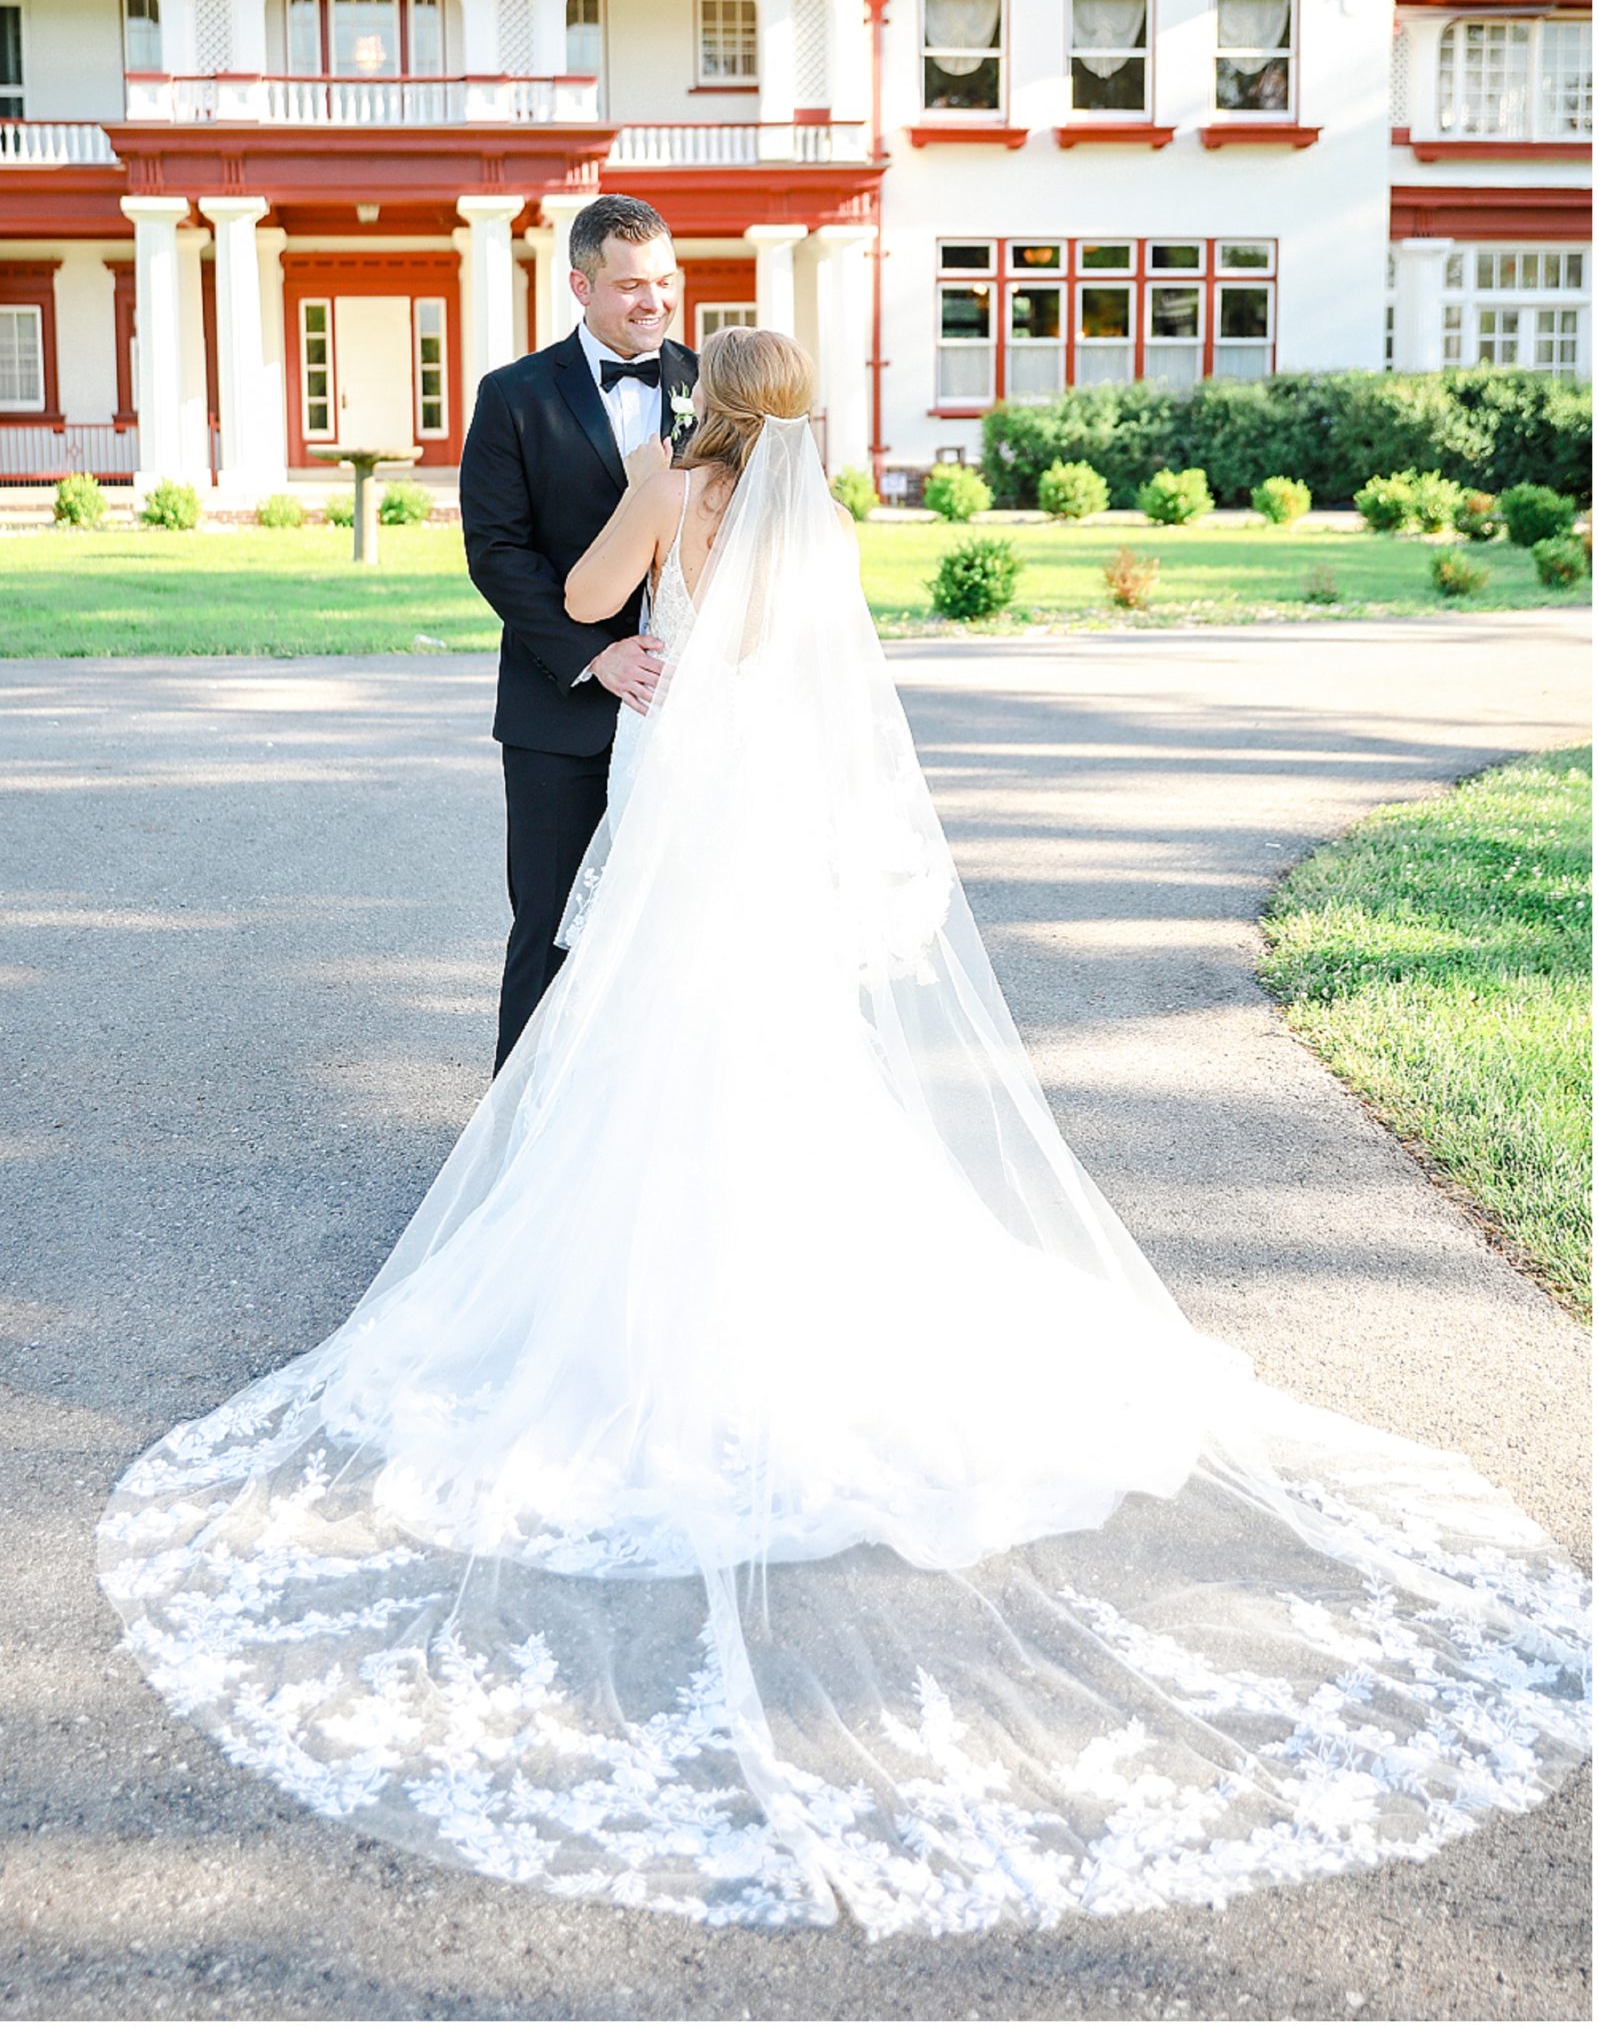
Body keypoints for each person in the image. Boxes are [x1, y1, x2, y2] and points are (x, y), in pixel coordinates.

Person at [99, 332, 1588, 1940]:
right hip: (772, 818)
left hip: (686, 812)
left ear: (710, 407)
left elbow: (594, 607)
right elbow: (820, 691)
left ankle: (666, 1300)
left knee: (648, 1054)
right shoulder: (817, 516)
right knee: (791, 1064)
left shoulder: (679, 483)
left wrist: (651, 509)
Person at [458, 193, 698, 1071]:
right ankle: (516, 1146)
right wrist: (594, 656)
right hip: (557, 715)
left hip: (685, 710)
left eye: (665, 281)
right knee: (551, 928)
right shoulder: (513, 396)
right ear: (581, 285)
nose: (655, 301)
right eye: (632, 284)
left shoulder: (709, 388)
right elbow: (495, 552)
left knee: (673, 930)